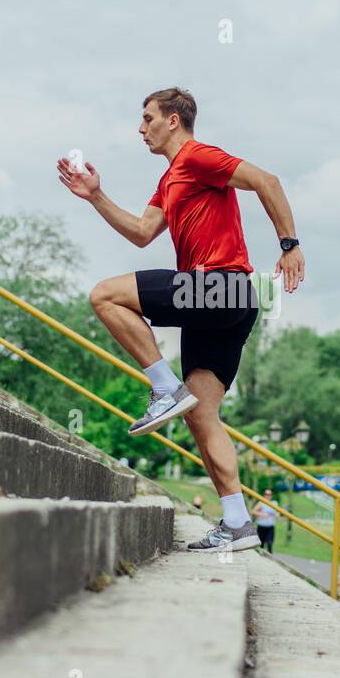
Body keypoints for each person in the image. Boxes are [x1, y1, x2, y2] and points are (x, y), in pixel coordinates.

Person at [58, 87, 305, 554]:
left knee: (105, 295)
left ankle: (162, 387)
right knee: (201, 414)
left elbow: (267, 181)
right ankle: (237, 522)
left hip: (219, 287)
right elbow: (141, 233)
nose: (140, 127)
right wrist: (95, 195)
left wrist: (289, 245)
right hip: (228, 303)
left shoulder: (197, 156)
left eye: (147, 117)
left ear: (173, 120)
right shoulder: (170, 179)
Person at [252, 488, 278, 553]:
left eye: (269, 494)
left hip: (270, 527)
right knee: (261, 545)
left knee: (270, 544)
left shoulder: (274, 503)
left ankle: (271, 560)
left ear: (271, 495)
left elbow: (277, 513)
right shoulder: (261, 503)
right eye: (266, 494)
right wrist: (262, 514)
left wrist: (277, 515)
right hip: (261, 527)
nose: (267, 496)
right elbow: (252, 512)